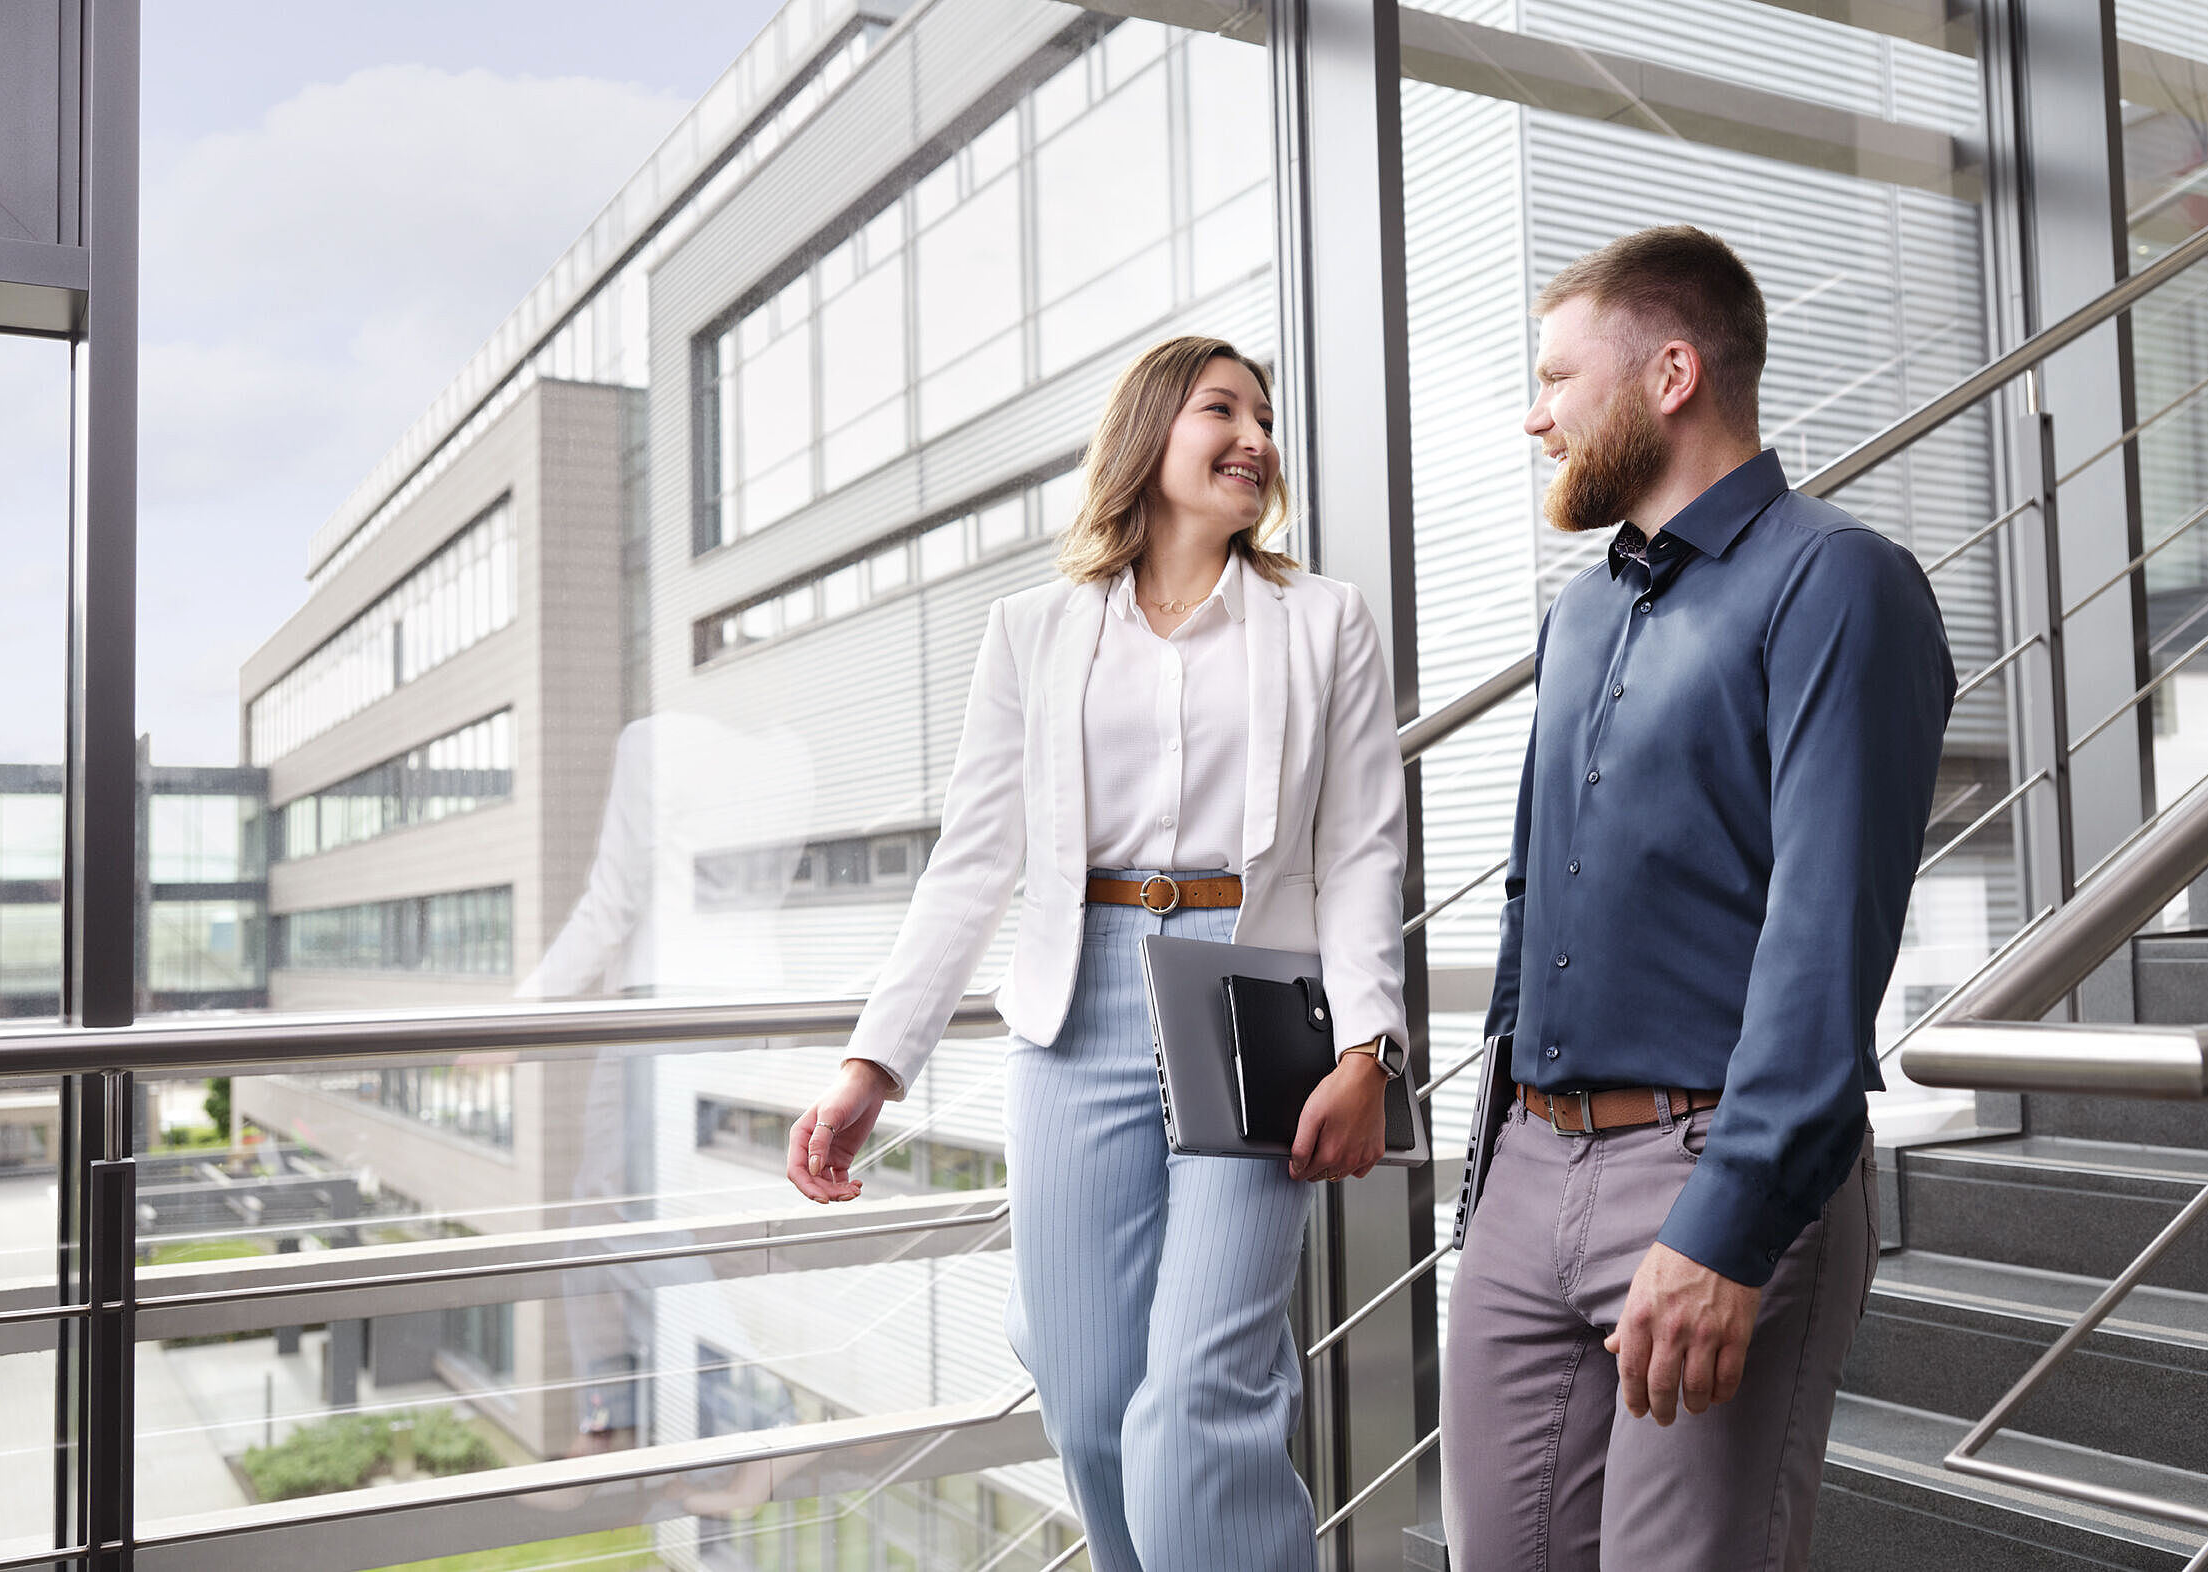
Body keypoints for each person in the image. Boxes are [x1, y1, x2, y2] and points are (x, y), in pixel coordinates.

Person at [785, 335, 1411, 1572]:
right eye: (1221, 409)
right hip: (1078, 1012)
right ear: (1148, 435)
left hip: (1249, 992)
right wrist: (875, 1066)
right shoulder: (1033, 629)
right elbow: (973, 860)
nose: (1255, 437)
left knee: (1201, 1393)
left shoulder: (1325, 620)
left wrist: (1367, 1049)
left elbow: (1362, 854)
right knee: (1084, 1395)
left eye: (1265, 417)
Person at [1443, 225, 1955, 1568]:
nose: (1535, 414)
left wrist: (1729, 1225)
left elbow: (1825, 934)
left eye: (1559, 378)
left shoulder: (1840, 581)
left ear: (1672, 373)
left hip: (1707, 1168)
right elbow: (1532, 910)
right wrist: (1495, 1164)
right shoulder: (1580, 620)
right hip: (1527, 1169)